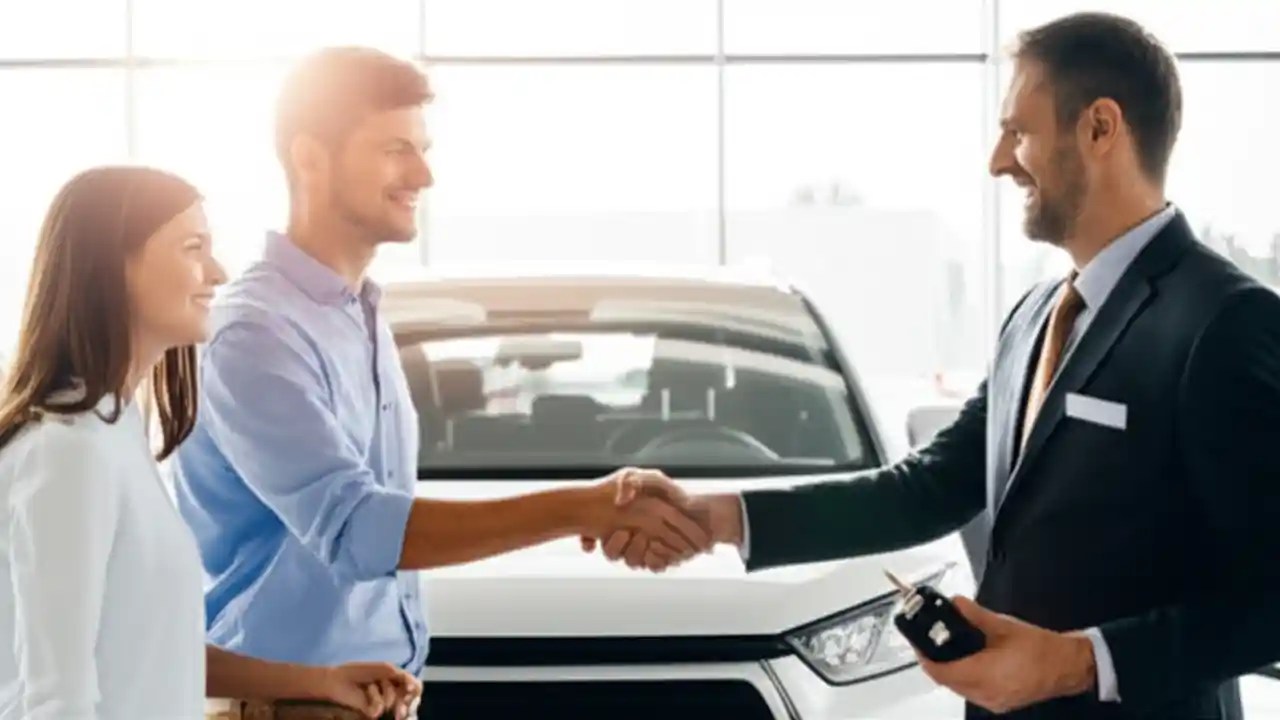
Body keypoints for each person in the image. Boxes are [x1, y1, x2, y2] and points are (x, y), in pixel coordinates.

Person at [591, 12, 1280, 720]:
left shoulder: (1226, 322)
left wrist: (1076, 663)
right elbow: (925, 489)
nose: (998, 160)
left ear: (1100, 128)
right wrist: (717, 517)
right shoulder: (1036, 314)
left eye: (1019, 131)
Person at [170, 46, 707, 710]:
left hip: (369, 700)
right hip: (287, 705)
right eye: (396, 148)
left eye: (422, 148)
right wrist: (582, 507)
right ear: (310, 157)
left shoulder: (359, 314)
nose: (422, 173)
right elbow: (355, 529)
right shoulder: (254, 334)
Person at [0, 166, 422, 719]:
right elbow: (56, 700)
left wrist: (319, 681)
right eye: (192, 248)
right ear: (112, 269)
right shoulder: (68, 451)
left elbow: (147, 649)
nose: (217, 272)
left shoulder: (115, 431)